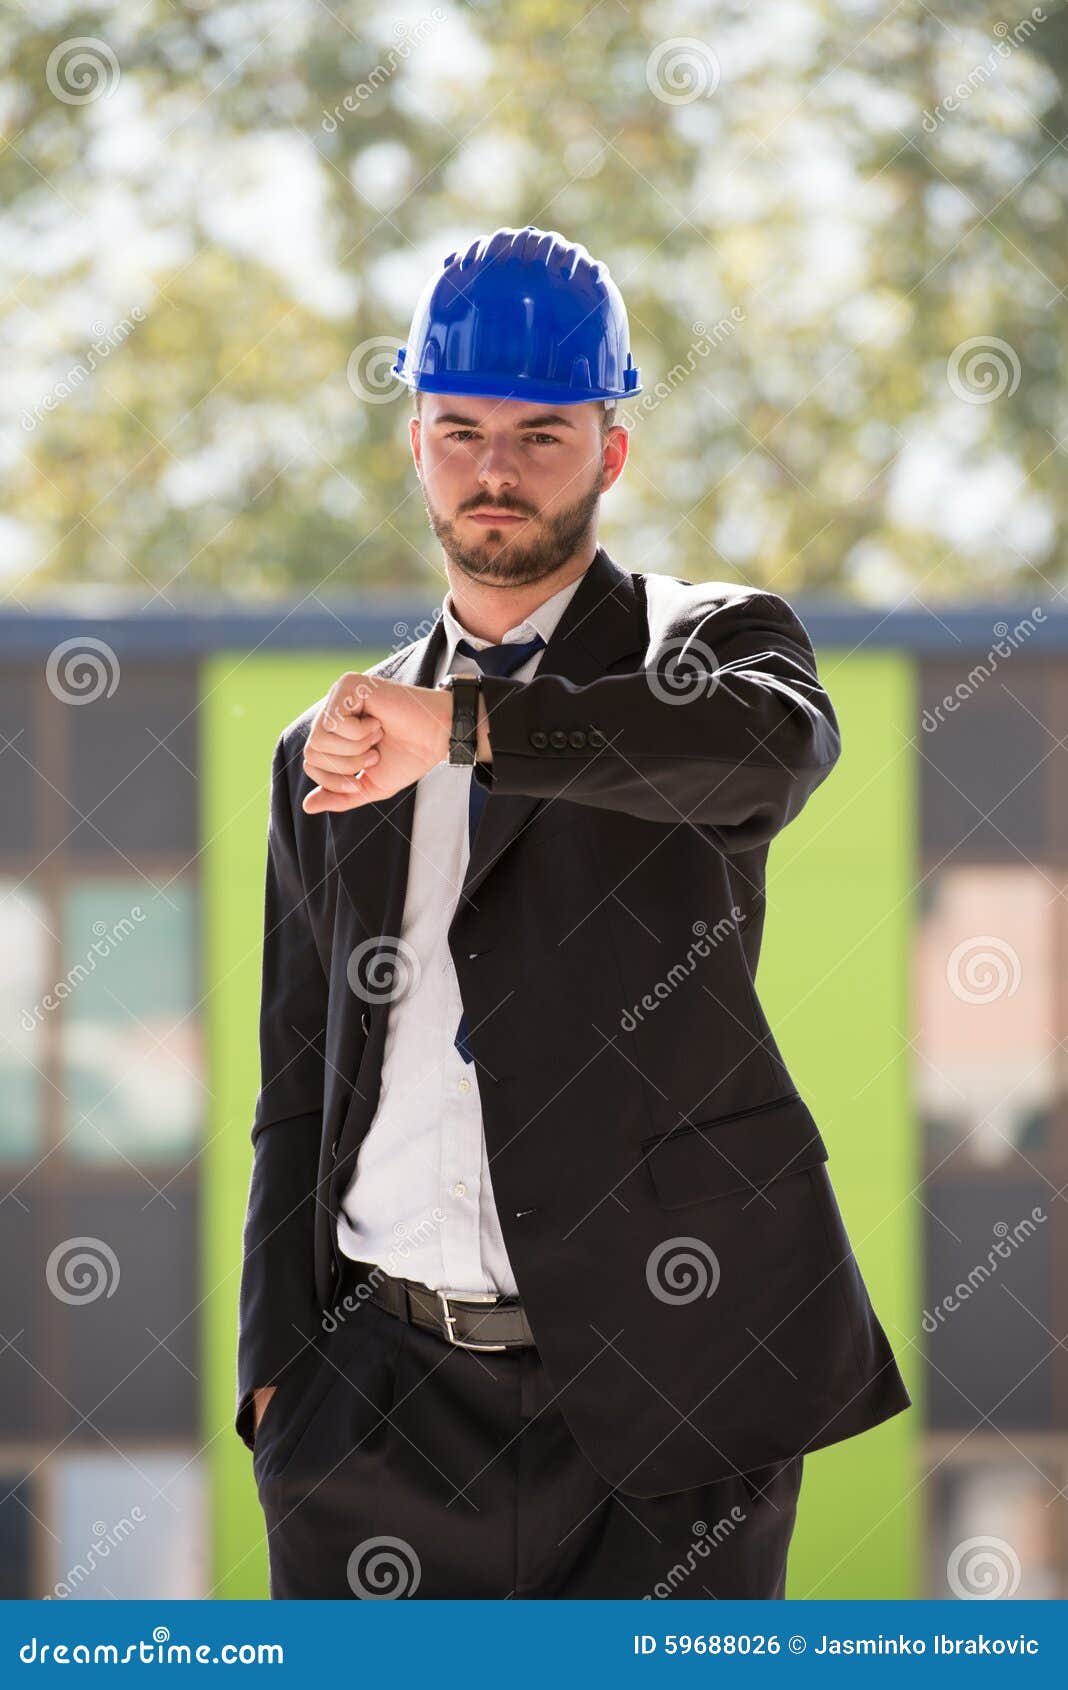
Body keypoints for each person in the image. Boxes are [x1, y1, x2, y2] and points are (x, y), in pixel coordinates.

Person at [236, 225, 911, 1600]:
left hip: (671, 1408)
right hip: (371, 1415)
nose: (496, 469)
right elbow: (298, 1078)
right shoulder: (336, 740)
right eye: (463, 428)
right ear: (413, 441)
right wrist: (275, 1382)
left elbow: (765, 757)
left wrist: (470, 726)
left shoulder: (711, 644)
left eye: (542, 433)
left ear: (610, 451)